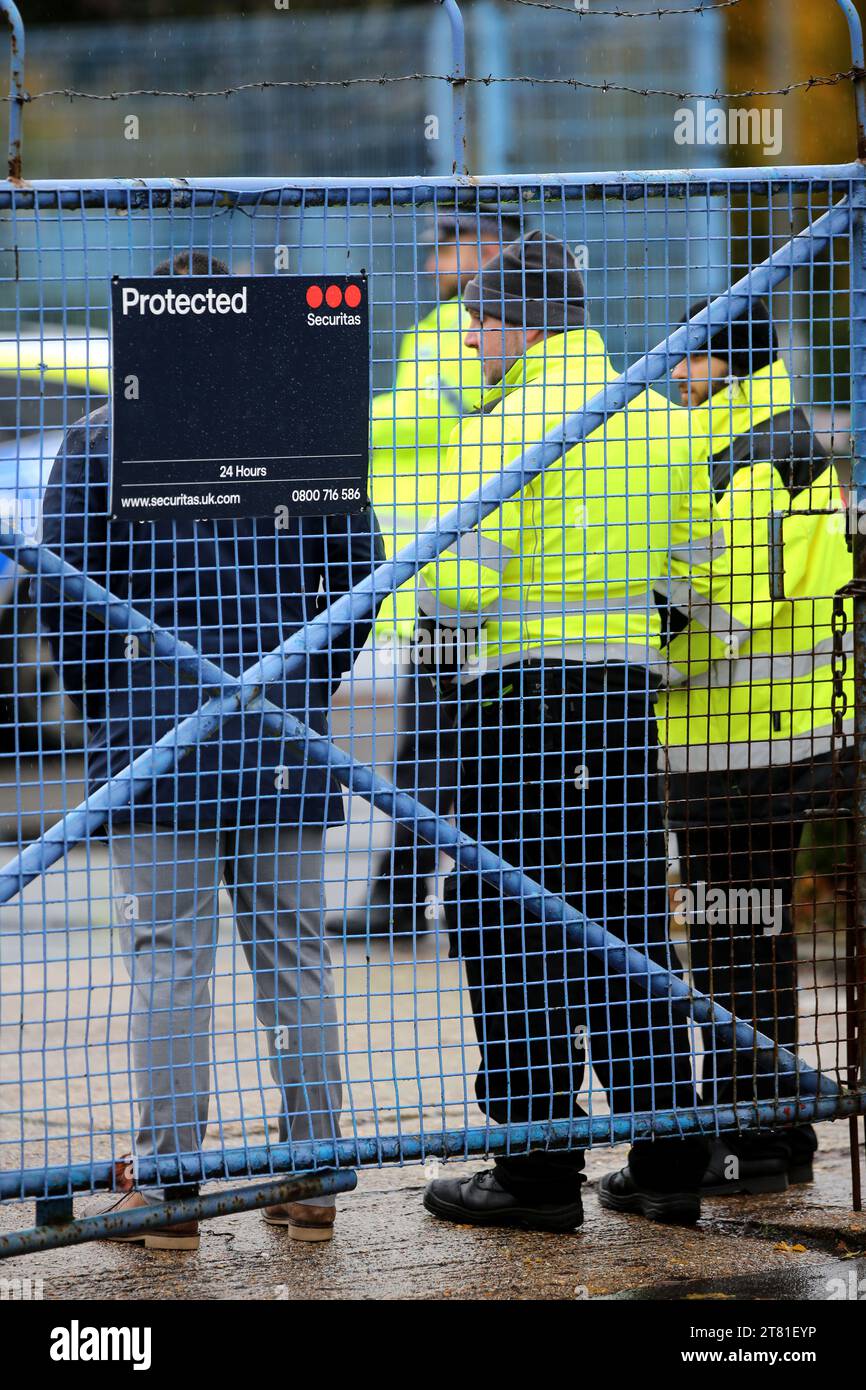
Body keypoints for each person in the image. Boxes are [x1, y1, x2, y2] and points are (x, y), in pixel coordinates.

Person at [33, 251, 383, 1249]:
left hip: (155, 747)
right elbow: (358, 582)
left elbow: (63, 599)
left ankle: (172, 1187)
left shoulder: (99, 443)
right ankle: (313, 1171)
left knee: (171, 961)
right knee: (295, 962)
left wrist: (122, 705)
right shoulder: (301, 437)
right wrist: (301, 687)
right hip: (280, 739)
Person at [419, 231, 721, 1232]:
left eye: (477, 320)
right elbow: (697, 590)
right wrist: (653, 657)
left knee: (507, 926)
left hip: (517, 712)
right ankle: (669, 1155)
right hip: (621, 713)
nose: (468, 340)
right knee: (626, 921)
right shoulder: (657, 420)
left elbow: (457, 594)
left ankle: (535, 1168)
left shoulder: (498, 430)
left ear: (520, 323)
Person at [660, 298, 854, 1195]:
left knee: (733, 936)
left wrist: (647, 609)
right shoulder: (783, 437)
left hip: (736, 745)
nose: (671, 373)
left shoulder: (750, 452)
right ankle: (778, 1129)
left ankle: (755, 1139)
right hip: (779, 735)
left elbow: (737, 598)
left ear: (717, 361)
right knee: (755, 934)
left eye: (685, 358)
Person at [351, 208, 523, 935]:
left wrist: (328, 422)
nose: (431, 265)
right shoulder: (451, 322)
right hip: (450, 569)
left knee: (439, 740)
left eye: (445, 247)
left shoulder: (485, 322)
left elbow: (437, 415)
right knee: (447, 739)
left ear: (488, 246)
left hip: (468, 577)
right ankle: (420, 897)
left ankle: (406, 900)